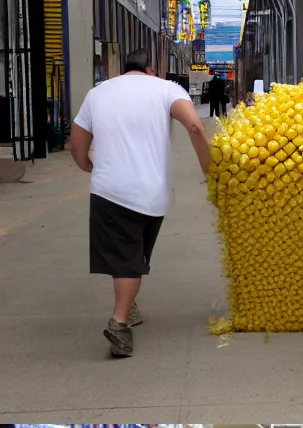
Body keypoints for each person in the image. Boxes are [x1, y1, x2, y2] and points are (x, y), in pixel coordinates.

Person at [70, 48, 213, 359]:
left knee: (125, 257)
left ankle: (125, 313)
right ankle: (121, 320)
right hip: (153, 194)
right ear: (150, 69)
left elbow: (78, 141)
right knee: (131, 257)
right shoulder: (167, 89)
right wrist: (210, 170)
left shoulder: (98, 93)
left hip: (109, 191)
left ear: (124, 70)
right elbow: (194, 126)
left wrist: (85, 164)